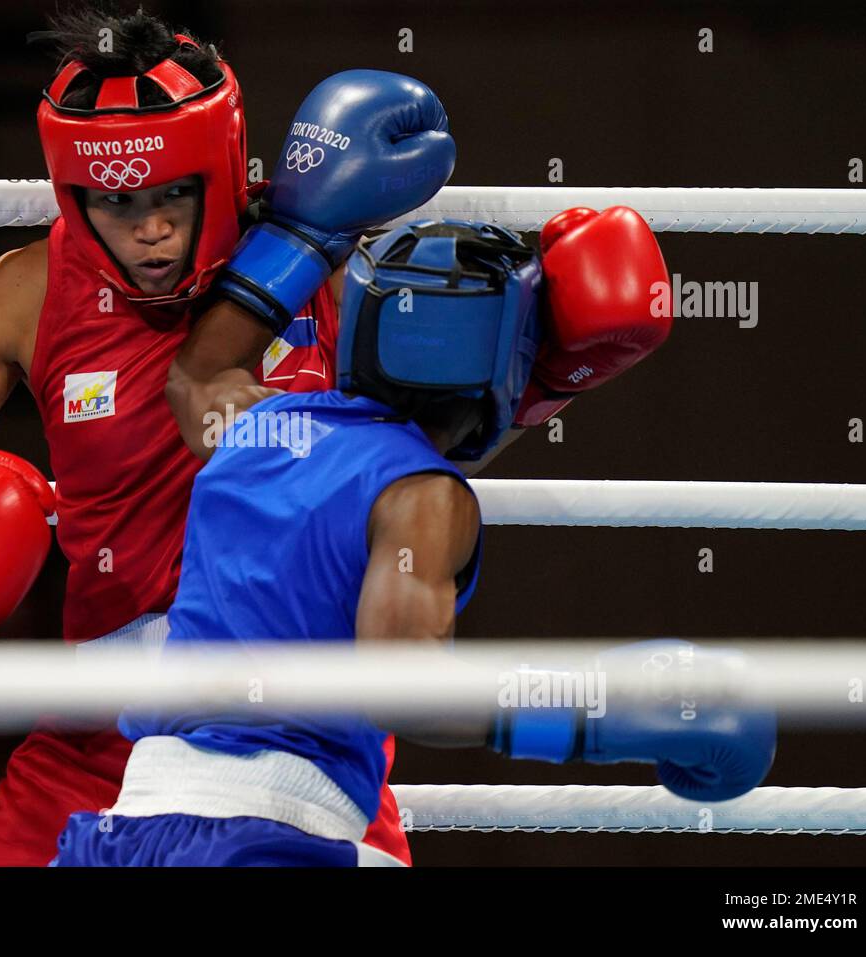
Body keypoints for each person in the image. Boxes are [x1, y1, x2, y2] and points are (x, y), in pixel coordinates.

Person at [0, 9, 453, 865]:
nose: (149, 229)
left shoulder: (322, 271)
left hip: (300, 739)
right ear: (76, 193)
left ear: (217, 169)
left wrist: (558, 353)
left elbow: (445, 440)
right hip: (94, 740)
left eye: (172, 194)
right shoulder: (25, 295)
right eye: (117, 201)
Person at [50, 219, 776, 866]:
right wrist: (599, 710)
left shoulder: (252, 425)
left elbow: (200, 374)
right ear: (507, 360)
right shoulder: (422, 494)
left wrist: (307, 229)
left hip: (123, 828)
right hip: (271, 836)